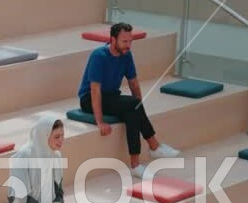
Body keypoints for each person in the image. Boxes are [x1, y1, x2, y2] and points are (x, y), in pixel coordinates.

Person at [77, 22, 180, 179]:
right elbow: (94, 90)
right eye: (125, 41)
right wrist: (100, 121)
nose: (128, 45)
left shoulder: (126, 55)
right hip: (88, 99)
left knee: (132, 112)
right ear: (113, 40)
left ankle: (135, 165)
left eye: (130, 41)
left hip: (111, 97)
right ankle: (154, 145)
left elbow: (133, 83)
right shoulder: (99, 56)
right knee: (133, 104)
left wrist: (139, 109)